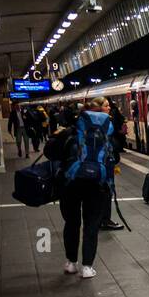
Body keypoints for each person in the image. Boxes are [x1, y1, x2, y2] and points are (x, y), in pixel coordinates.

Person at [45, 98, 119, 279]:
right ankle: (87, 267)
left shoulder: (71, 130)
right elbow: (115, 157)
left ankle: (71, 263)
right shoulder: (107, 133)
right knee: (91, 225)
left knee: (72, 223)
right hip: (97, 185)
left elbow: (50, 152)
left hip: (71, 183)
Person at [99, 98, 126, 231]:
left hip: (98, 163)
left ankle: (99, 219)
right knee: (106, 191)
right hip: (105, 162)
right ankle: (105, 220)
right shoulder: (104, 122)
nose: (109, 108)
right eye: (106, 106)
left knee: (99, 192)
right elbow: (109, 142)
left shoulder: (90, 122)